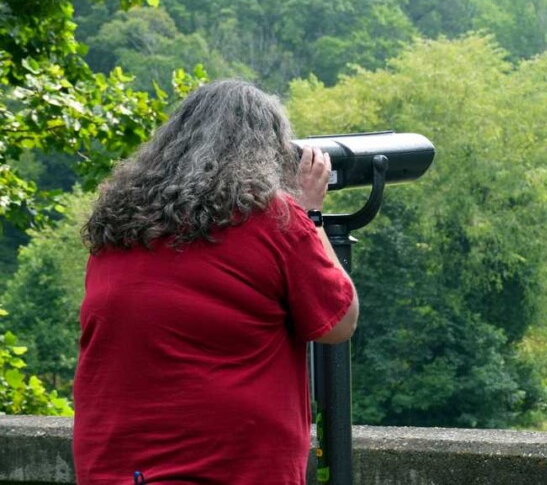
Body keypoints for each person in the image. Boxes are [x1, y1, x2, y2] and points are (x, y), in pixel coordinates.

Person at [73, 80, 358, 484]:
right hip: (232, 467)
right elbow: (339, 320)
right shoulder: (272, 217)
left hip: (116, 466)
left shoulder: (118, 224)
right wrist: (310, 214)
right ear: (269, 150)